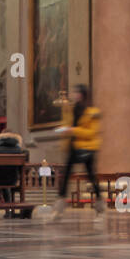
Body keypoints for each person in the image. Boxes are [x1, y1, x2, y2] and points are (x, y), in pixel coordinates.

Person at [55, 84, 103, 216]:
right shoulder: (73, 109)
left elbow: (91, 132)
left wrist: (72, 130)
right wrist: (64, 128)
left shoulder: (92, 112)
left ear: (82, 94)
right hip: (74, 146)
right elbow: (70, 124)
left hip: (87, 148)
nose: (74, 95)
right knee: (66, 174)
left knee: (91, 176)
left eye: (76, 92)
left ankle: (99, 202)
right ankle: (60, 204)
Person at [0, 129, 28, 217]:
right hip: (12, 179)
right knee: (6, 187)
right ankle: (9, 211)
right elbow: (21, 168)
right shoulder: (18, 149)